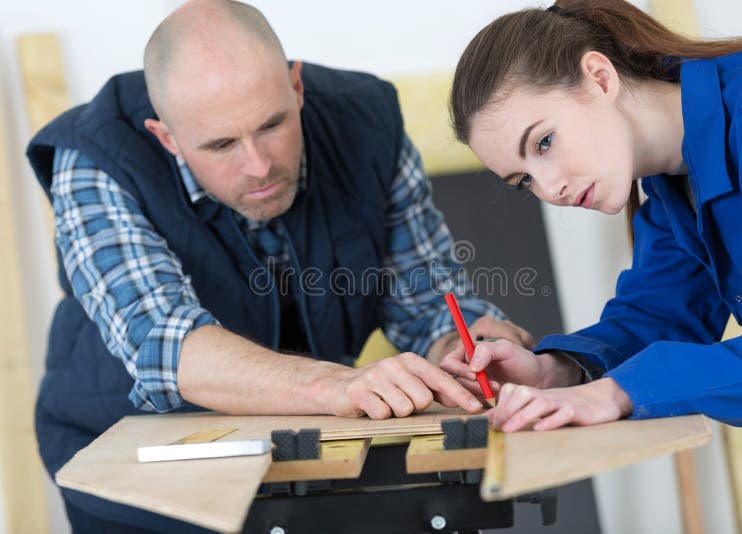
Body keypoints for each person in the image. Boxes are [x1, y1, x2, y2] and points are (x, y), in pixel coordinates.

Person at [27, 0, 533, 529]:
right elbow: (166, 343)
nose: (259, 164)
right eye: (221, 144)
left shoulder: (369, 121)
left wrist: (466, 347)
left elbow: (428, 303)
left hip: (305, 450)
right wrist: (334, 386)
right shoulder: (93, 157)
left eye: (271, 125)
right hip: (133, 459)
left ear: (296, 87)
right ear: (167, 138)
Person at [441, 0, 742, 433]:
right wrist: (554, 371)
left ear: (599, 77)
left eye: (544, 142)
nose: (550, 189)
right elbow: (662, 313)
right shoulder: (672, 179)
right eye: (523, 181)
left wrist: (615, 393)